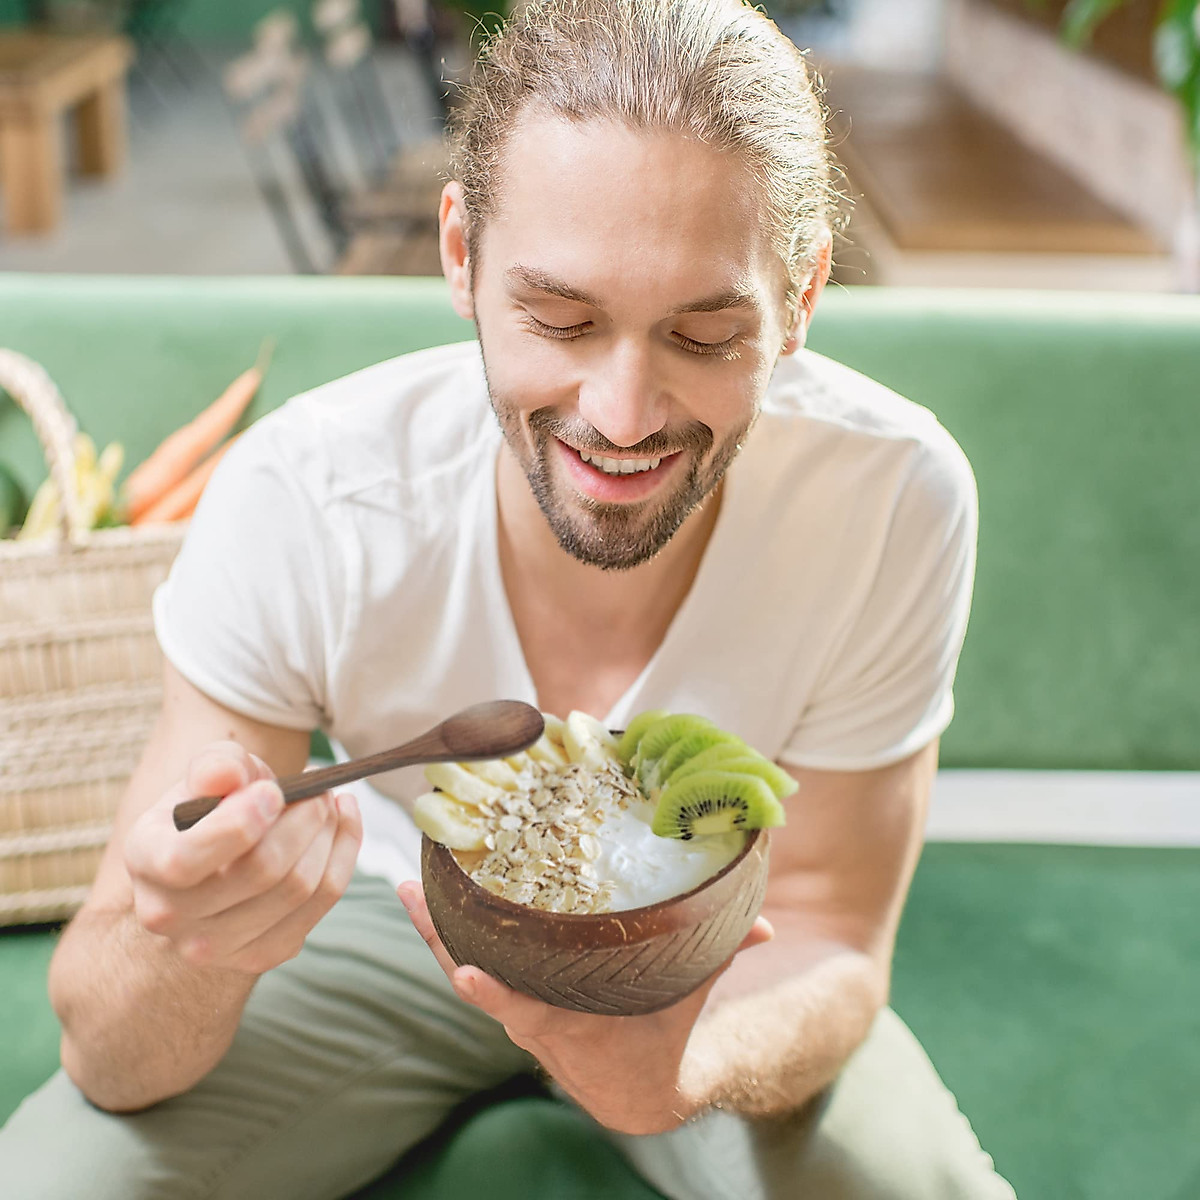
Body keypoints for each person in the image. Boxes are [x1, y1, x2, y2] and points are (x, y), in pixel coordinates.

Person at [0, 1, 1017, 1197]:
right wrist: (191, 943)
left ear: (800, 298)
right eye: (560, 319)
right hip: (391, 913)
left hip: (711, 946)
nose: (623, 414)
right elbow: (108, 1055)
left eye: (703, 333)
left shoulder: (894, 494)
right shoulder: (308, 497)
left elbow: (837, 932)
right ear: (460, 256)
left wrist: (684, 1063)